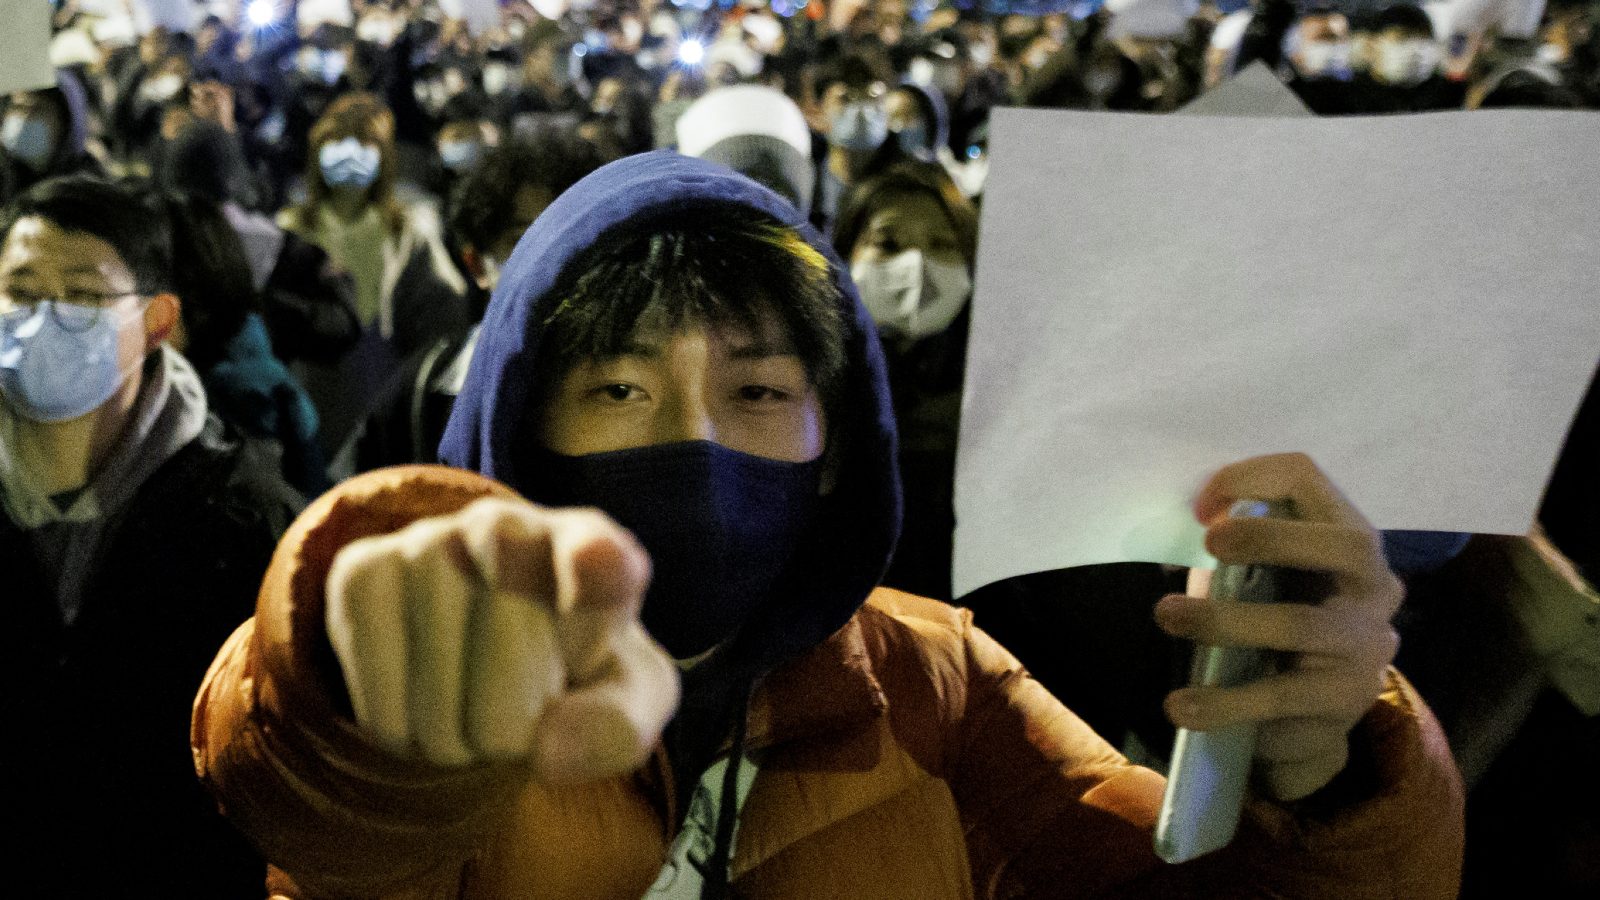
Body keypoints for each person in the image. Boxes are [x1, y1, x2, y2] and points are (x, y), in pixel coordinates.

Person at [195, 152, 1462, 898]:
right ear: (521, 426)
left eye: (757, 394)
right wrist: (364, 674)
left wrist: (1327, 773)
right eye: (620, 392)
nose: (695, 445)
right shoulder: (442, 720)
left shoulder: (939, 687)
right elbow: (314, 797)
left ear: (835, 444)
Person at [0, 175, 301, 895]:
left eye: (82, 296)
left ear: (157, 321)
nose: (44, 318)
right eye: (21, 290)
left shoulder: (244, 518)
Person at [833, 159, 976, 601]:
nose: (917, 264)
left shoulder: (1001, 391)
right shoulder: (812, 386)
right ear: (846, 254)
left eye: (942, 244)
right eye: (888, 243)